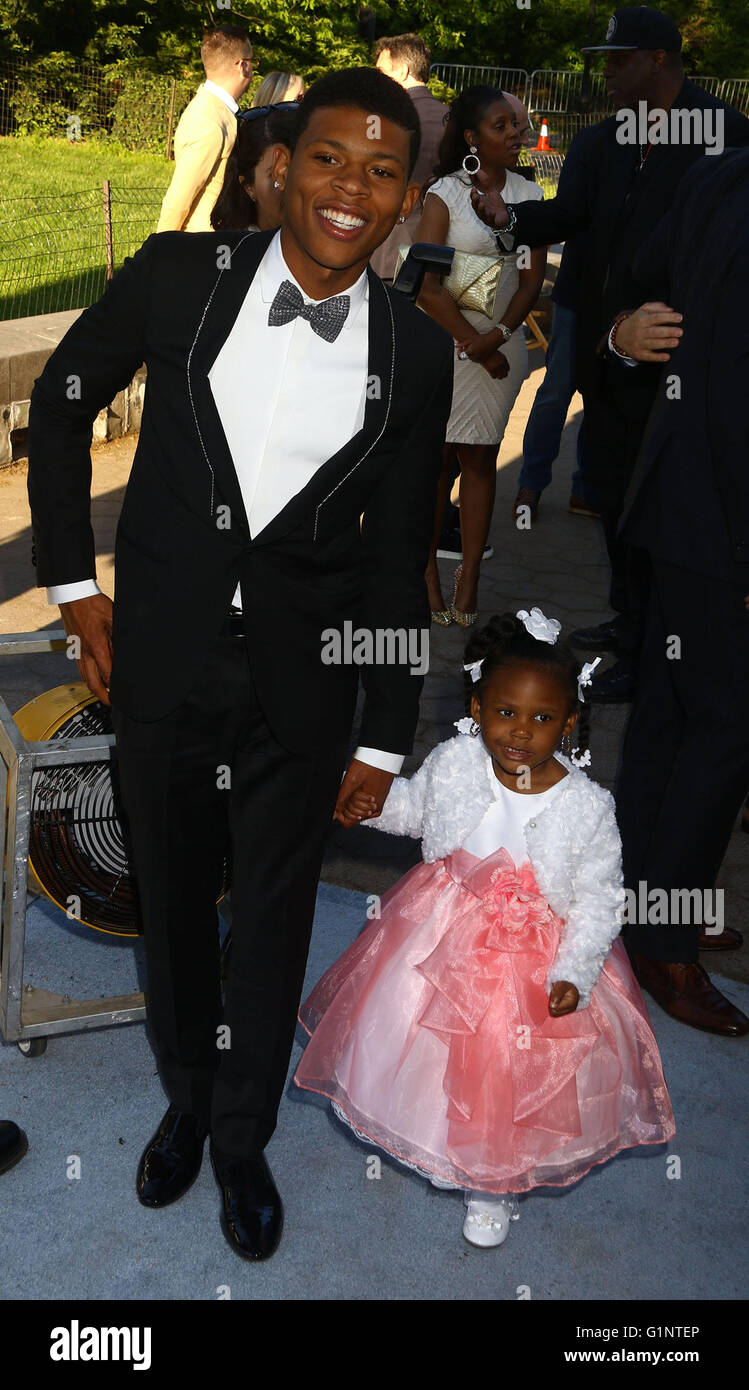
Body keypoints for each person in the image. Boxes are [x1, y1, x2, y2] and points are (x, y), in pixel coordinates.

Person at [27, 67, 453, 1263]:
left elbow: (392, 561)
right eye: (328, 158)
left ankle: (240, 1137)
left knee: (266, 922)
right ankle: (183, 1096)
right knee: (168, 907)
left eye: (379, 171)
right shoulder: (179, 280)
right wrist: (73, 591)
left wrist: (379, 735)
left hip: (301, 687)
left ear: (405, 198)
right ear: (280, 165)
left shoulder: (413, 360)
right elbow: (58, 407)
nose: (347, 188)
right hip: (157, 664)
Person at [294, 609, 675, 1247]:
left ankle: (490, 1184)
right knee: (431, 1048)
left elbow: (601, 901)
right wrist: (374, 803)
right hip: (440, 931)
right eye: (504, 713)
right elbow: (416, 811)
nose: (519, 733)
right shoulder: (456, 762)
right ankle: (445, 1142)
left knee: (508, 1069)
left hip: (535, 956)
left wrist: (573, 972)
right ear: (477, 705)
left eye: (542, 718)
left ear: (570, 722)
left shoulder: (586, 806)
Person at [466, 7, 749, 700]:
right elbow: (572, 215)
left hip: (684, 357)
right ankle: (631, 625)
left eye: (617, 59)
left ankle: (661, 645)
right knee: (618, 496)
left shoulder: (725, 134)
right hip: (608, 349)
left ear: (656, 58)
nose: (606, 72)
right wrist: (512, 219)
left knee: (668, 507)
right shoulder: (601, 140)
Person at [610, 148, 749, 1036]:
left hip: (675, 499)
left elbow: (630, 270)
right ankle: (662, 941)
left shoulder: (721, 171)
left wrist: (622, 329)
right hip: (723, 516)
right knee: (725, 729)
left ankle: (638, 903)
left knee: (670, 714)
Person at [416, 87, 546, 626]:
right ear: (472, 138)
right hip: (443, 338)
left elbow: (532, 279)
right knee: (434, 461)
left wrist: (495, 340)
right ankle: (425, 575)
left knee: (479, 457)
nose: (515, 135)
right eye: (502, 126)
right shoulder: (442, 194)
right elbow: (425, 284)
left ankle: (467, 581)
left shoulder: (531, 195)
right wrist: (473, 344)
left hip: (501, 342)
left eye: (517, 126)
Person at [514, 231, 600, 521]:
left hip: (622, 296)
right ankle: (530, 486)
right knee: (555, 392)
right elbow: (562, 216)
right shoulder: (586, 182)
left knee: (602, 397)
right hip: (576, 293)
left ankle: (586, 490)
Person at [157, 24, 253, 233]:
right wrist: (157, 255)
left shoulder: (213, 110)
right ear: (242, 66)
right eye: (253, 61)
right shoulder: (210, 121)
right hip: (202, 248)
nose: (253, 69)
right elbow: (178, 200)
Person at [370, 33, 449, 282]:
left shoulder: (386, 117)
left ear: (402, 71)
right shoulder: (453, 117)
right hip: (441, 252)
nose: (376, 80)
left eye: (382, 72)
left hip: (387, 250)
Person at [210, 105, 298, 232]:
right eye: (275, 175)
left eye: (297, 170)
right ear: (249, 187)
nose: (291, 184)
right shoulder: (235, 249)